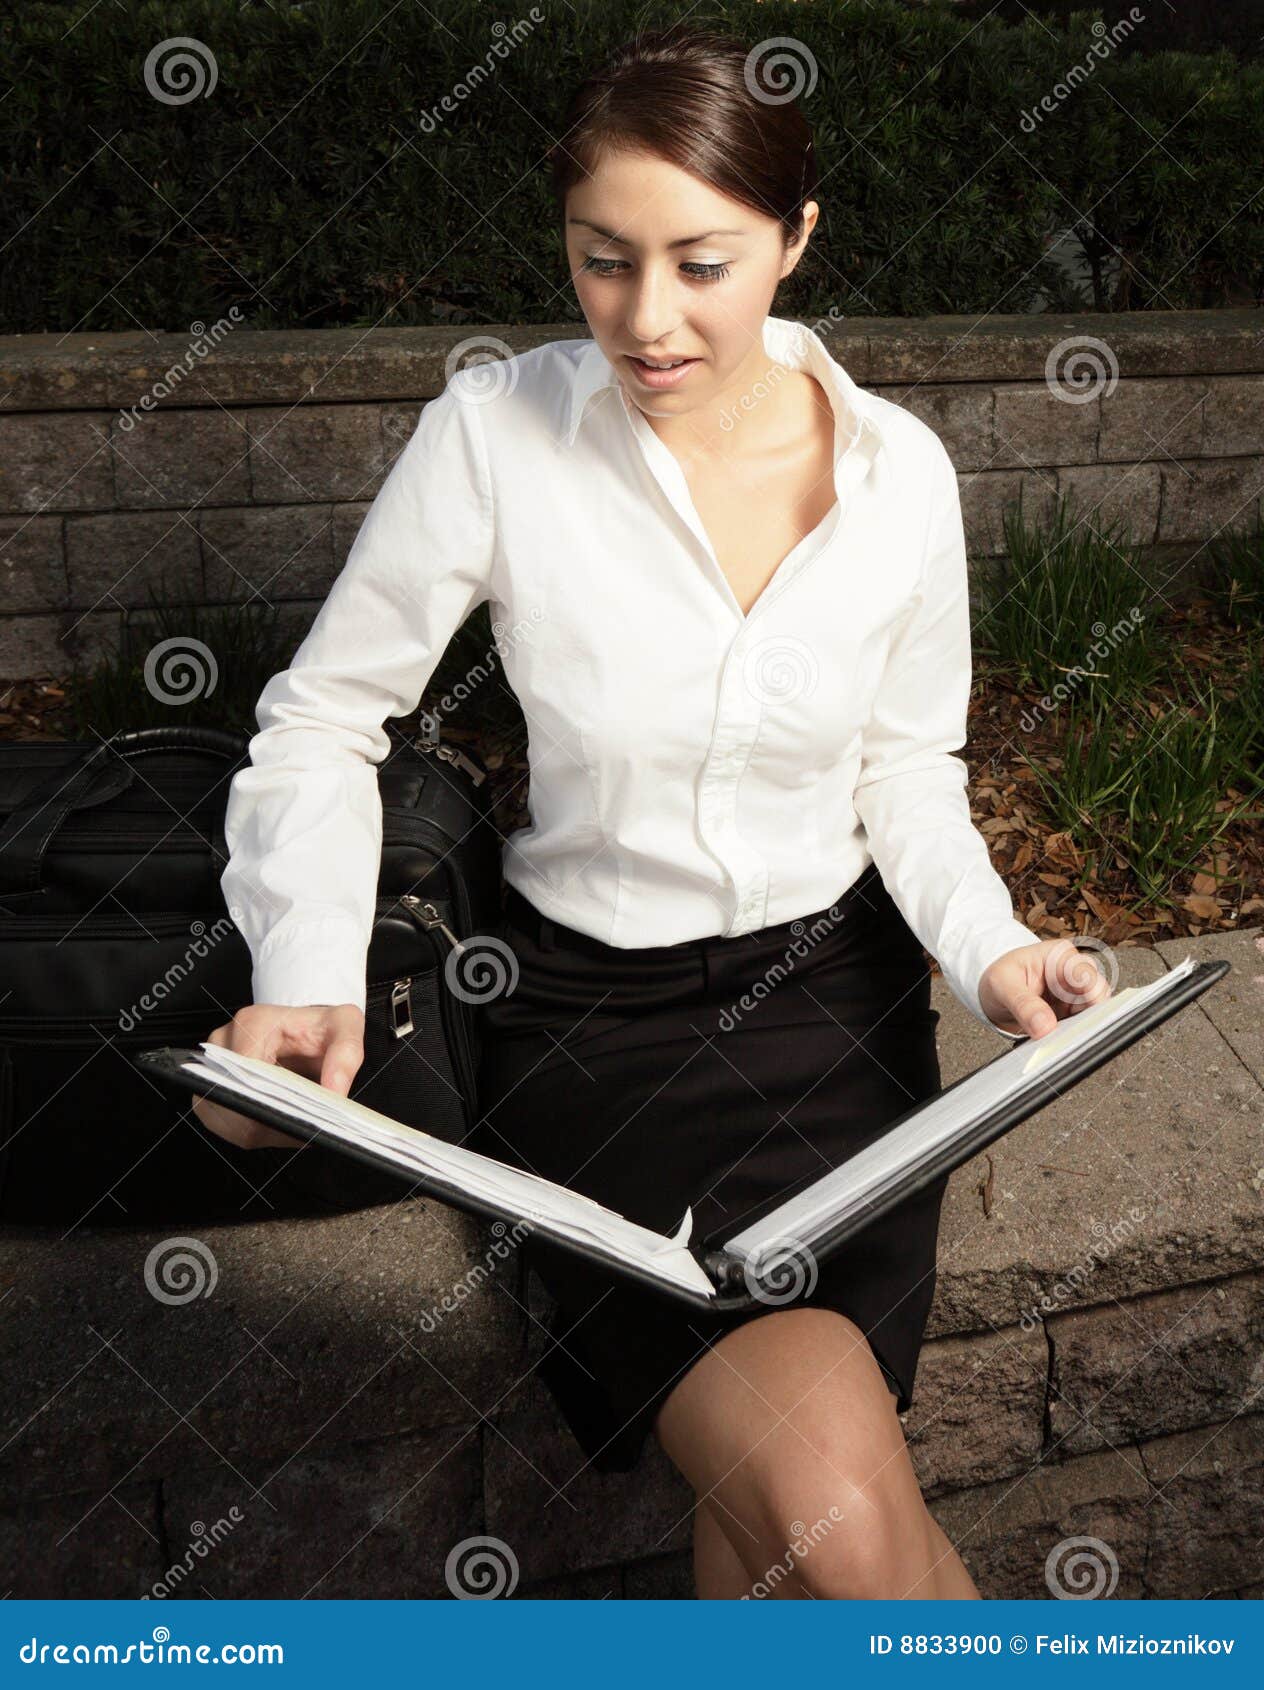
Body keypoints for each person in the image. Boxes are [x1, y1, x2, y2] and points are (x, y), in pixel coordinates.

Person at [194, 23, 1112, 1600]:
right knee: (845, 1530)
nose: (647, 316)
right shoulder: (493, 433)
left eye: (702, 261)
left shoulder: (904, 476)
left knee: (787, 1540)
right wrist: (304, 969)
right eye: (602, 261)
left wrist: (992, 951)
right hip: (590, 1035)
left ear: (796, 238)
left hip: (839, 1023)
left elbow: (908, 772)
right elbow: (323, 722)